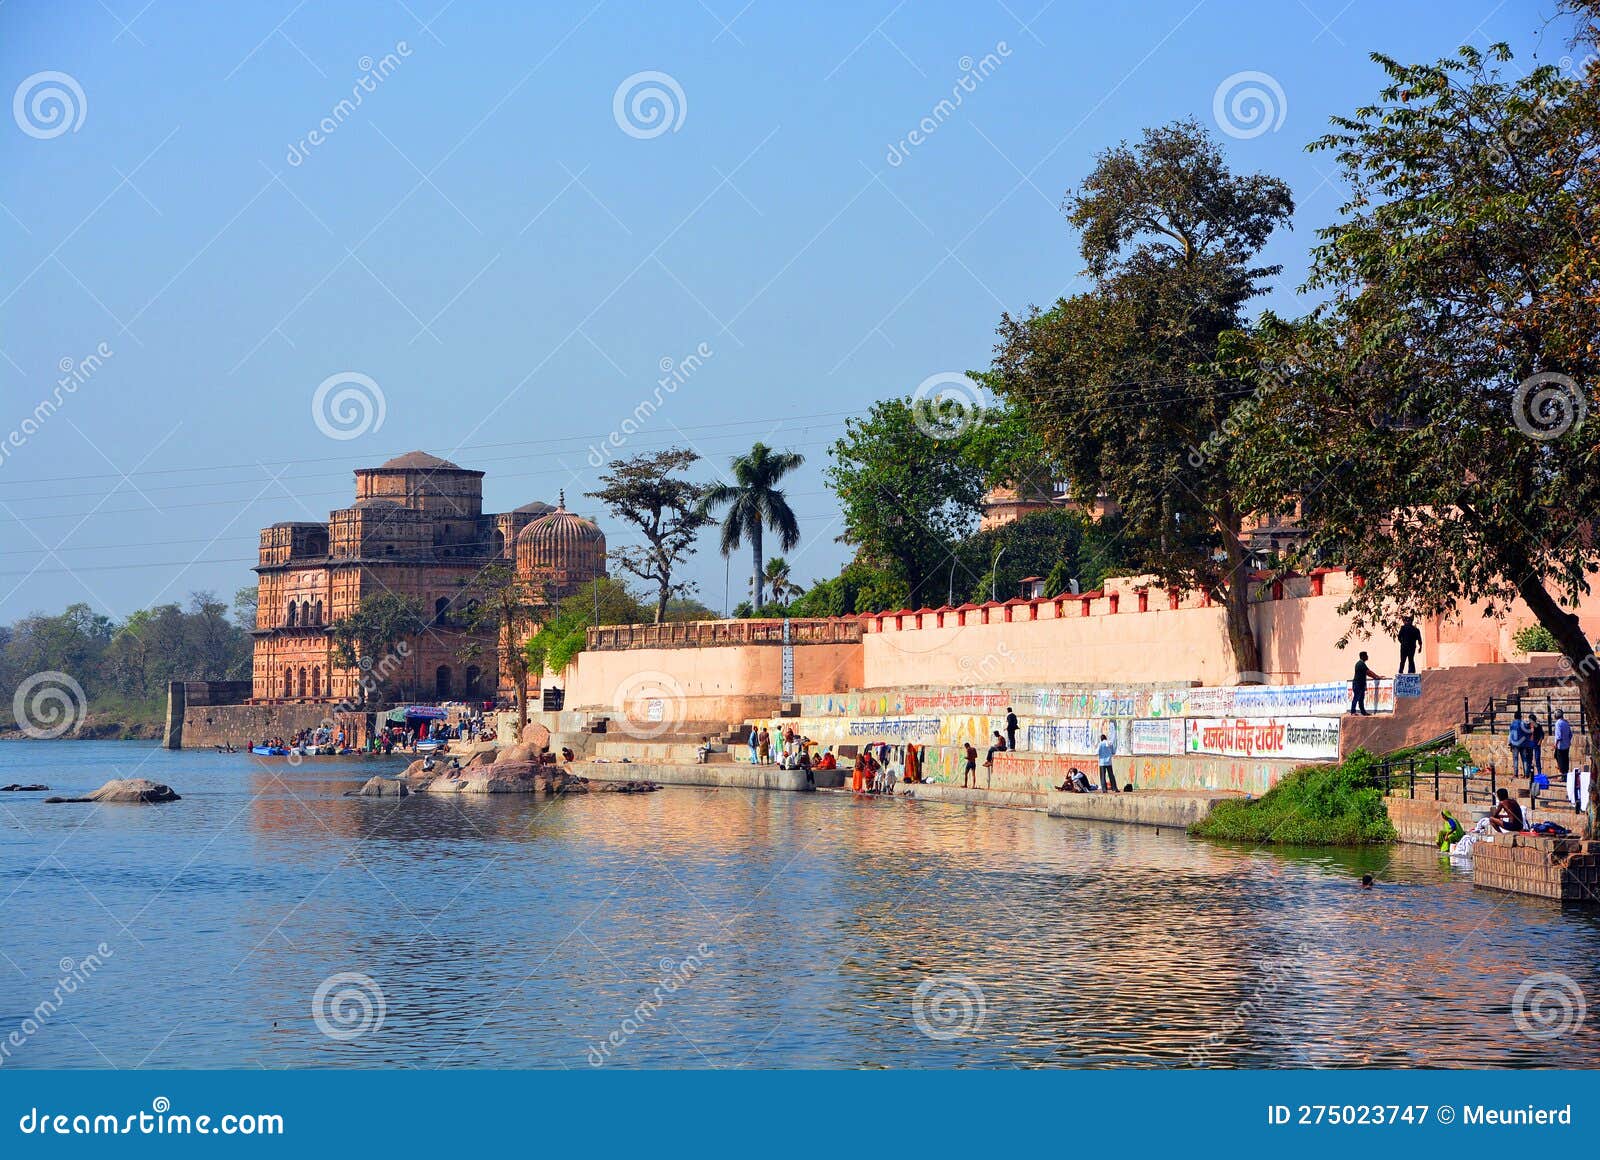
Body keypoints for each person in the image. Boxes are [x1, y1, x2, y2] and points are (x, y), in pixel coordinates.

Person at [1507, 711, 1531, 782]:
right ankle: (1526, 774)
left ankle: (1516, 774)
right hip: (1523, 744)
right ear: (1520, 716)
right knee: (1524, 759)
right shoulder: (1523, 723)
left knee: (1515, 759)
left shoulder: (1512, 724)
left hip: (1515, 744)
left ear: (1514, 716)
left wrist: (1509, 743)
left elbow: (1510, 734)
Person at [1554, 710, 1574, 781]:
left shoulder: (1558, 723)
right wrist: (1568, 741)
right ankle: (1565, 774)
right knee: (1565, 759)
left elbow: (1558, 736)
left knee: (1560, 759)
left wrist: (1555, 745)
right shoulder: (1566, 722)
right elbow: (1570, 734)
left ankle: (1563, 775)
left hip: (1560, 745)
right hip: (1567, 744)